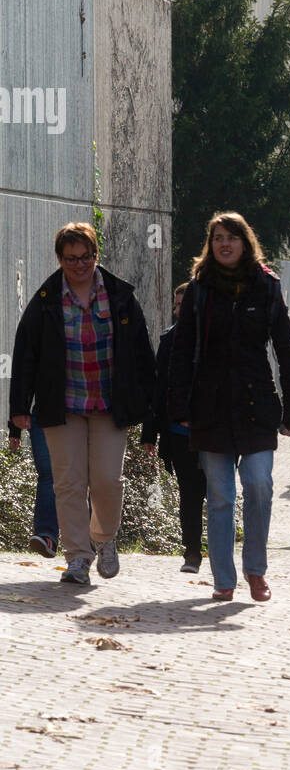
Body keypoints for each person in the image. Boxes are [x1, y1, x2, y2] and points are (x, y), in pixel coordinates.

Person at [168, 212, 290, 601]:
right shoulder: (199, 290)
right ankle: (223, 579)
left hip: (256, 404)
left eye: (231, 237)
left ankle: (256, 570)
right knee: (222, 496)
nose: (224, 244)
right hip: (210, 407)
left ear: (245, 242)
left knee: (260, 485)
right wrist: (178, 403)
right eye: (217, 238)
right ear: (210, 246)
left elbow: (286, 349)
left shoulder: (266, 286)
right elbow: (181, 350)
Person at [10, 221, 155, 587]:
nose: (80, 265)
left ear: (96, 255)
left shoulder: (120, 296)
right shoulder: (46, 301)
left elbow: (141, 351)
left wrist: (151, 403)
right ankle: (77, 558)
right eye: (71, 258)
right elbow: (25, 353)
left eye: (86, 257)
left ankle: (105, 540)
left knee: (106, 480)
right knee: (68, 483)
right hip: (64, 406)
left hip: (109, 405)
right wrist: (18, 410)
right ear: (59, 260)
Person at [141, 282, 207, 573]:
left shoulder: (215, 339)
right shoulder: (168, 341)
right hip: (179, 435)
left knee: (218, 493)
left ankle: (218, 548)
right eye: (176, 305)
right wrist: (149, 433)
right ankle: (192, 552)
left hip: (214, 434)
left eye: (185, 305)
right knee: (190, 493)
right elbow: (156, 389)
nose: (178, 311)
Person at [7, 419, 59, 558]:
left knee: (84, 477)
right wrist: (15, 428)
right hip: (44, 412)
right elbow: (19, 396)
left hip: (88, 413)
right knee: (47, 474)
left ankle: (91, 541)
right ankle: (47, 536)